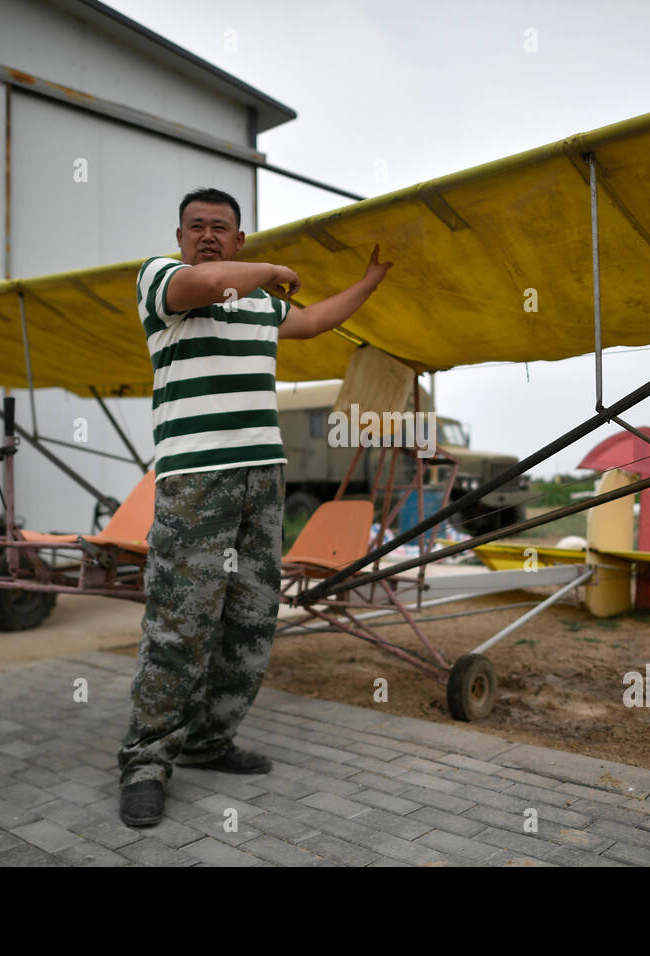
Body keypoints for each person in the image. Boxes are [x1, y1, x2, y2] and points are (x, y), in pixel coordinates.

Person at [119, 187, 392, 827]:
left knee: (250, 620)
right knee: (181, 625)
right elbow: (206, 282)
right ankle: (145, 763)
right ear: (181, 236)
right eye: (197, 227)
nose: (208, 236)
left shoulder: (261, 307)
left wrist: (372, 279)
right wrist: (270, 270)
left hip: (262, 482)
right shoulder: (163, 281)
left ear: (239, 238)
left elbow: (318, 320)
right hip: (195, 480)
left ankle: (209, 743)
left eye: (221, 228)